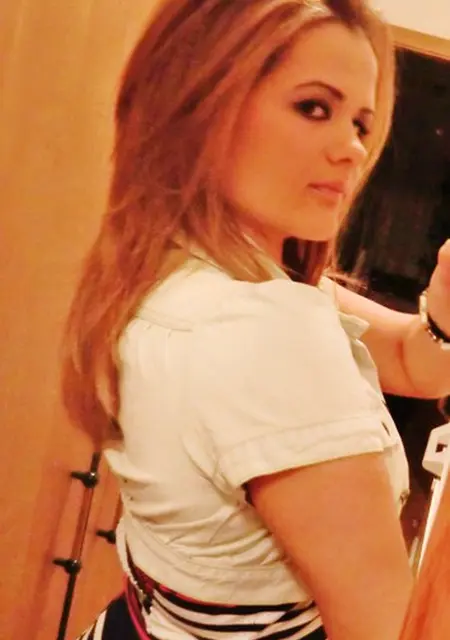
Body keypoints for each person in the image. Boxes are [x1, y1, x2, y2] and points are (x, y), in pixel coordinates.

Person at [62, 0, 450, 638]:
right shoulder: (261, 333)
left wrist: (445, 312)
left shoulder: (179, 272)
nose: (353, 149)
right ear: (201, 104)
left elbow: (414, 361)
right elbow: (386, 628)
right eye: (314, 107)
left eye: (361, 122)